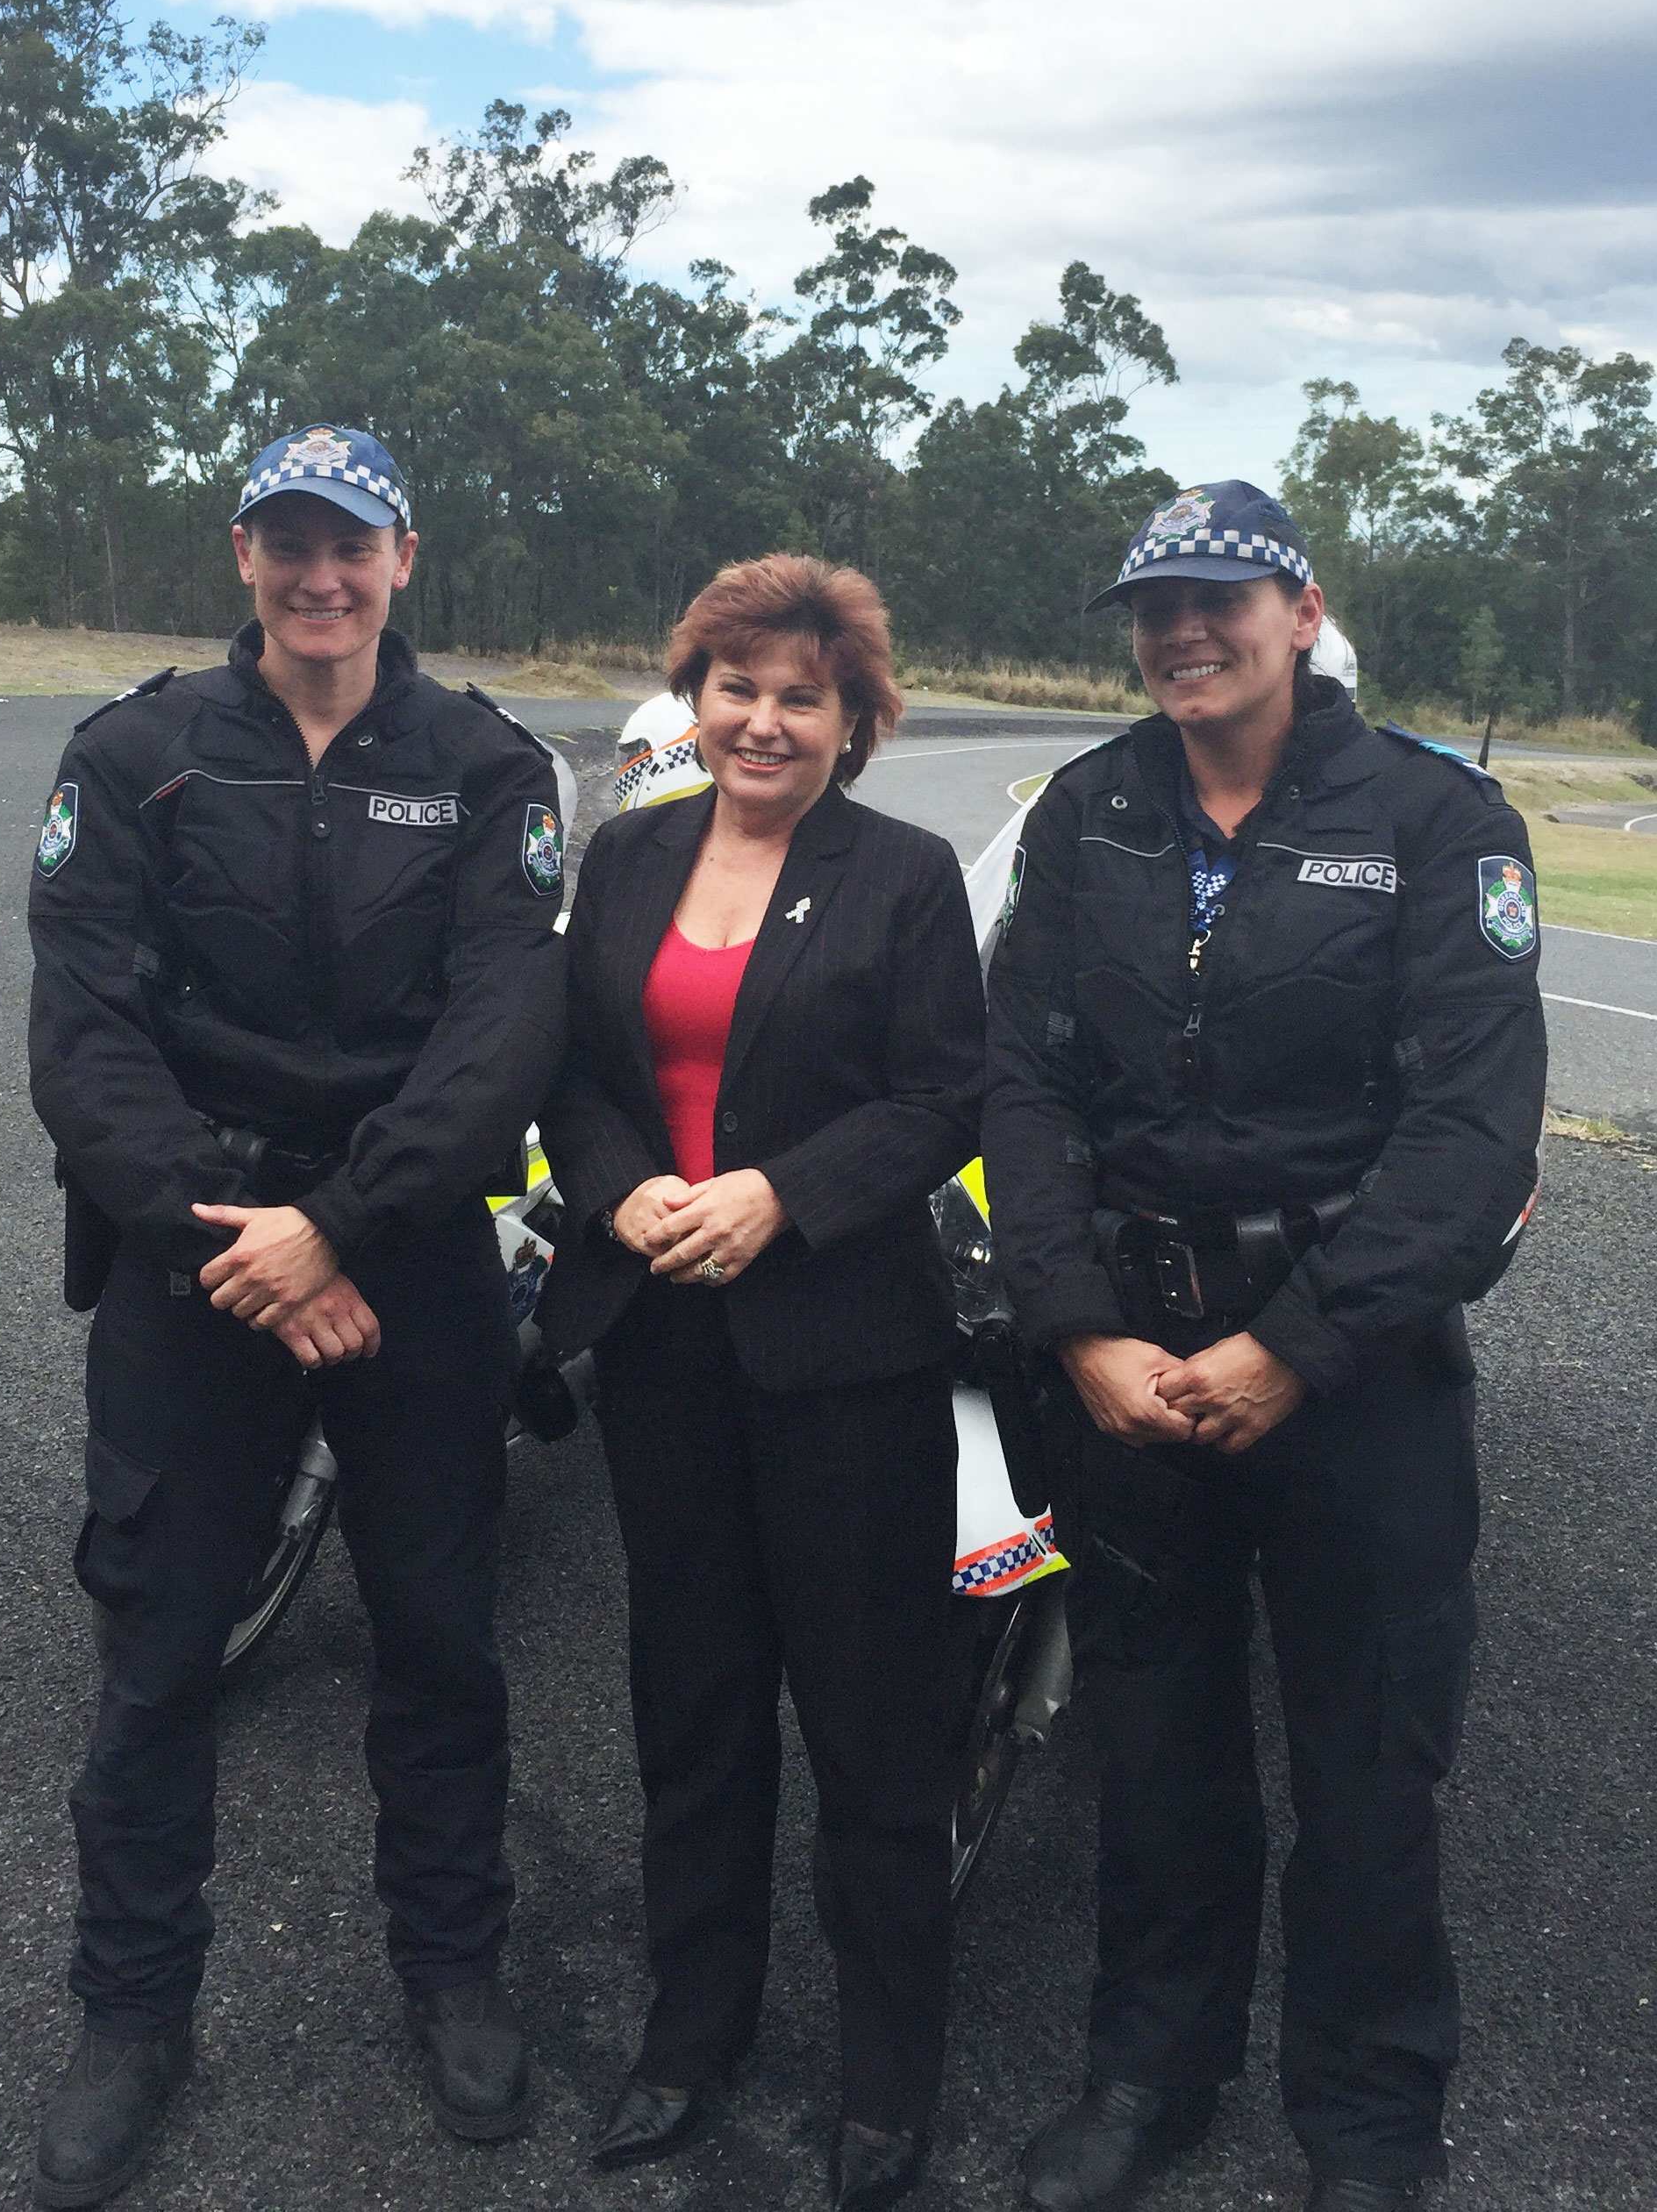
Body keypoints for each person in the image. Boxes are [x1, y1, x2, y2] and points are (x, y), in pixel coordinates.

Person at [983, 482, 1545, 2212]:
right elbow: (1025, 1084)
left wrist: (1294, 1345)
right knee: (1154, 1743)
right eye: (1155, 607)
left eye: (1220, 596)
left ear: (1301, 609)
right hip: (1129, 1363)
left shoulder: (1442, 822)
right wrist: (1075, 1324)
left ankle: (1369, 2124)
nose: (1182, 631)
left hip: (1353, 1372)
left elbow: (1472, 1136)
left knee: (1370, 1759)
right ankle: (1149, 2070)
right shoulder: (1089, 813)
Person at [25, 424, 567, 2208]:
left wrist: (337, 1225)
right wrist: (220, 1232)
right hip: (197, 1256)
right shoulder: (136, 750)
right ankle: (131, 2009)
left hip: (402, 1253)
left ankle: (450, 1969)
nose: (320, 576)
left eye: (355, 544)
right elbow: (85, 1038)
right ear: (242, 553)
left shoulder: (488, 765)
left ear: (407, 558)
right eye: (289, 543)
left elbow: (504, 1043)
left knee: (438, 1639)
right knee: (159, 1648)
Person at [534, 553, 984, 2210]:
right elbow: (575, 1074)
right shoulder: (636, 850)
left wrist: (782, 1192)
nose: (766, 721)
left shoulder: (906, 876)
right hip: (664, 1350)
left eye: (803, 695)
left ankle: (888, 2074)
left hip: (844, 1362)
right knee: (695, 1710)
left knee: (873, 1732)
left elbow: (947, 1096)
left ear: (855, 719)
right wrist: (616, 1186)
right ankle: (691, 2030)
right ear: (695, 696)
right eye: (737, 687)